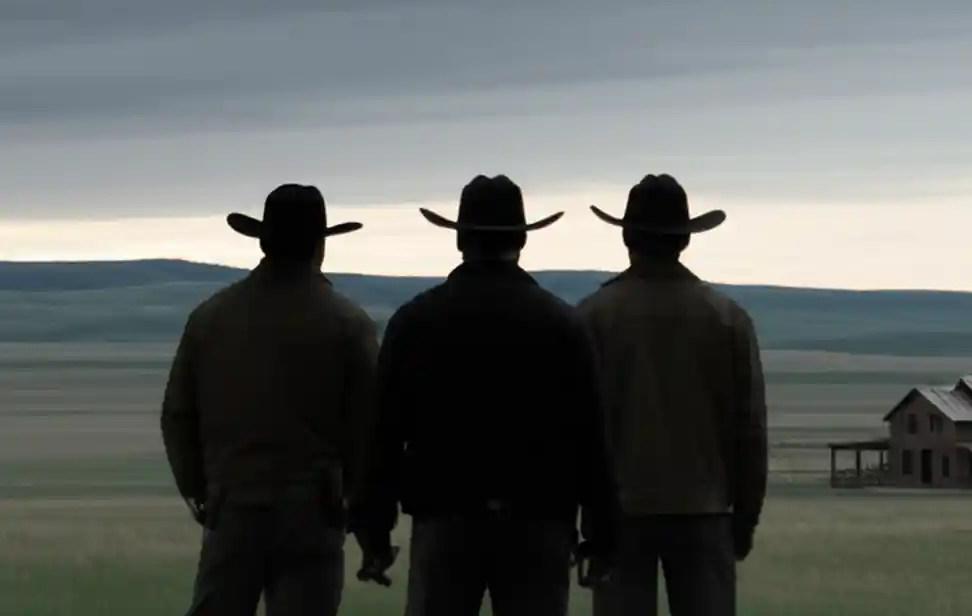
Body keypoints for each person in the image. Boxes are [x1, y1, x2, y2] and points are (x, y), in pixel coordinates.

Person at [352, 175, 620, 616]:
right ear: (521, 240)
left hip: (445, 521)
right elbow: (590, 435)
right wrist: (602, 532)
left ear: (459, 239)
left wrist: (374, 527)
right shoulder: (562, 323)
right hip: (539, 523)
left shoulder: (416, 320)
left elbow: (383, 432)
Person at [160, 184, 381, 616]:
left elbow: (178, 415)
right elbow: (369, 427)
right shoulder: (347, 323)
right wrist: (358, 504)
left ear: (262, 241)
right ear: (320, 246)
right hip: (314, 510)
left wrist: (200, 492)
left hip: (232, 502)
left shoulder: (210, 317)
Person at [576, 174, 769, 616]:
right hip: (705, 511)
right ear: (685, 240)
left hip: (618, 515)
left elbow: (573, 430)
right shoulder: (726, 317)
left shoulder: (593, 316)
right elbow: (750, 428)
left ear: (626, 236)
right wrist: (745, 516)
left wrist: (581, 521)